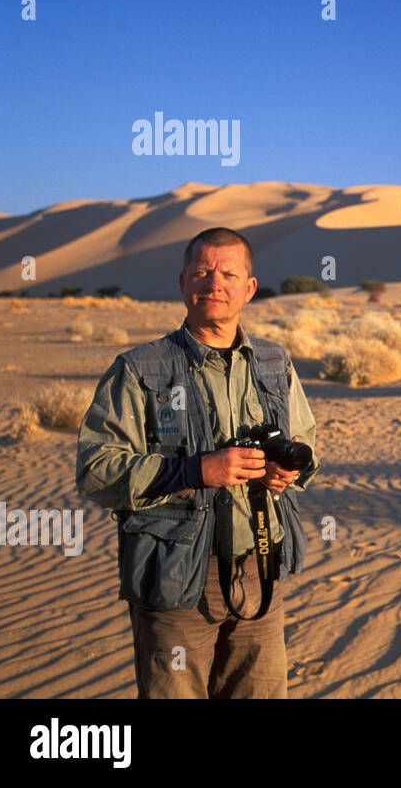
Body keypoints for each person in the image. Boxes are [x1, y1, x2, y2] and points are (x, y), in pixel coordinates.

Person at [76, 226, 319, 698]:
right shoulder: (140, 368)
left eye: (229, 273)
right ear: (183, 282)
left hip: (259, 565)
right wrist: (196, 471)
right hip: (175, 572)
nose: (215, 284)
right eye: (202, 272)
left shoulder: (273, 363)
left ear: (249, 288)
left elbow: (304, 444)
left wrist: (288, 471)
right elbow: (97, 470)